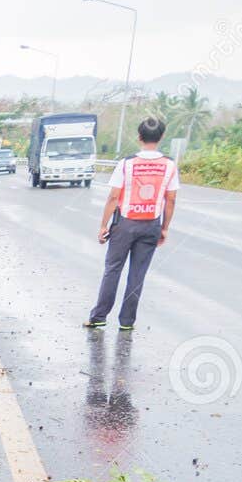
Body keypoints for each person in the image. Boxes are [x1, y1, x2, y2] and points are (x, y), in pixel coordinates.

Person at [85, 117, 179, 330]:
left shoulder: (127, 164)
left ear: (139, 137)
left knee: (113, 269)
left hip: (125, 224)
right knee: (138, 273)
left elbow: (113, 197)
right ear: (161, 137)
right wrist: (164, 227)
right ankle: (127, 322)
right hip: (151, 224)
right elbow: (171, 199)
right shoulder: (169, 165)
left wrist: (103, 225)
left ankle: (99, 317)